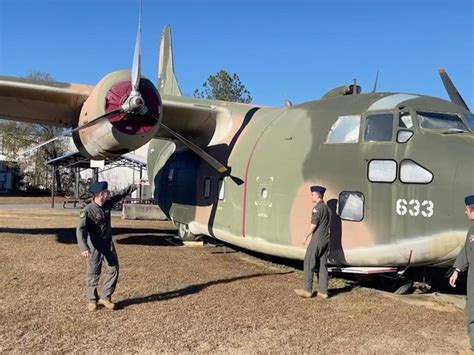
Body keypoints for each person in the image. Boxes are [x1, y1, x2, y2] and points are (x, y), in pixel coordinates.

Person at [76, 181, 136, 311]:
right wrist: (84, 247)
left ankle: (105, 297)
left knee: (113, 269)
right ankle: (92, 300)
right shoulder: (87, 211)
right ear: (100, 195)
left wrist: (136, 184)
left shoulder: (108, 203)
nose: (108, 194)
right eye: (106, 192)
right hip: (94, 246)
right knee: (93, 273)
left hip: (108, 244)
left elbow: (121, 194)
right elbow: (80, 229)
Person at [294, 185, 331, 299]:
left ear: (318, 195)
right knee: (322, 264)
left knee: (309, 261)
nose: (311, 196)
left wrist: (306, 236)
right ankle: (324, 292)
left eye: (313, 194)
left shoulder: (317, 208)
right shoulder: (327, 209)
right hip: (326, 238)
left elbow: (313, 225)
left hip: (318, 238)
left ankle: (307, 290)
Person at [449, 194, 474, 349]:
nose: (465, 212)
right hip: (473, 280)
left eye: (467, 209)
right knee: (471, 312)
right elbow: (466, 251)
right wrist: (457, 270)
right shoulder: (472, 231)